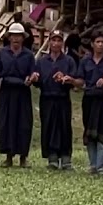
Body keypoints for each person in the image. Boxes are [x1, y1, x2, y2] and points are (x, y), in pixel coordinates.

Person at [35, 31, 77, 170]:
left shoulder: (68, 61)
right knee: (48, 126)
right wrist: (35, 78)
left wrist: (66, 78)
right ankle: (52, 156)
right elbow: (38, 81)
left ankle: (65, 157)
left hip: (62, 98)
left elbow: (75, 80)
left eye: (59, 41)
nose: (56, 43)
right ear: (49, 42)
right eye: (53, 40)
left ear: (62, 43)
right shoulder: (42, 61)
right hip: (47, 98)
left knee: (64, 127)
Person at [0, 22, 35, 168]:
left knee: (23, 123)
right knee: (7, 122)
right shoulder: (2, 53)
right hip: (6, 92)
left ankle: (23, 157)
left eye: (19, 36)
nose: (16, 39)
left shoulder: (29, 55)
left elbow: (33, 74)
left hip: (22, 93)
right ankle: (9, 156)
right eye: (13, 36)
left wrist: (32, 79)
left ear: (23, 38)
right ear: (9, 37)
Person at [77, 30, 103, 175]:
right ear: (92, 44)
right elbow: (80, 80)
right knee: (89, 132)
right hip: (89, 99)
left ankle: (101, 166)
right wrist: (72, 81)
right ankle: (92, 164)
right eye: (98, 42)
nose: (100, 45)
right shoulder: (85, 61)